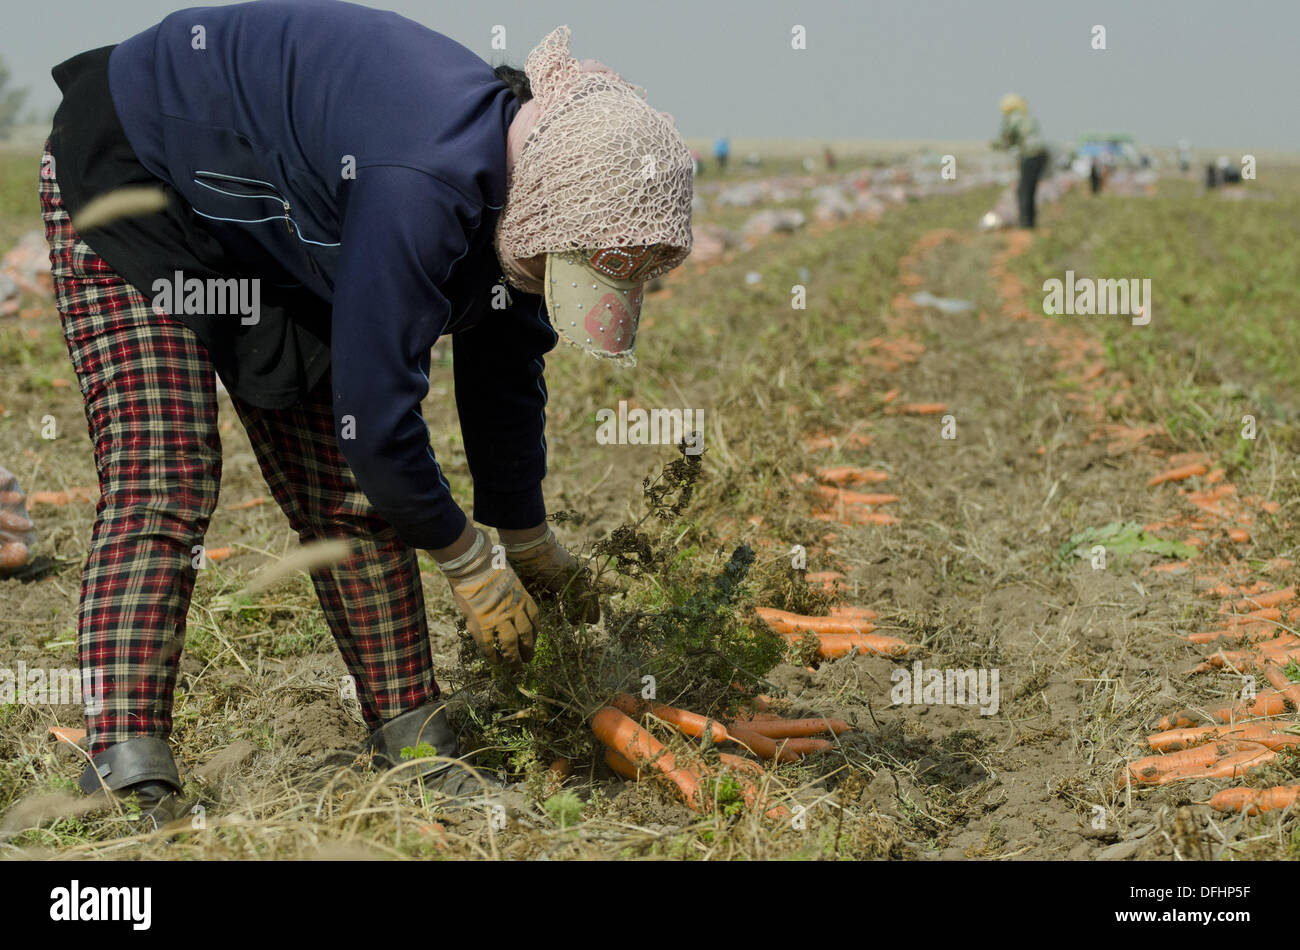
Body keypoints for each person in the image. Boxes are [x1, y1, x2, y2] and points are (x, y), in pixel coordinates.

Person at [42, 1, 693, 828]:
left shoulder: (525, 201)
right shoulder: (421, 184)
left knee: (346, 500)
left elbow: (504, 370)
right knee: (164, 476)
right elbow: (376, 419)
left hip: (271, 218)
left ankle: (414, 745)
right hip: (137, 169)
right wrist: (467, 562)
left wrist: (525, 537)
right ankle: (127, 765)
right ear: (547, 209)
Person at [992, 93, 1048, 228]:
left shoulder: (1012, 118)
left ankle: (1025, 224)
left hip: (1030, 155)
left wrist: (998, 145)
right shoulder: (1028, 117)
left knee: (1023, 190)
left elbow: (1007, 138)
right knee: (1031, 189)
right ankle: (1030, 222)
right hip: (1041, 154)